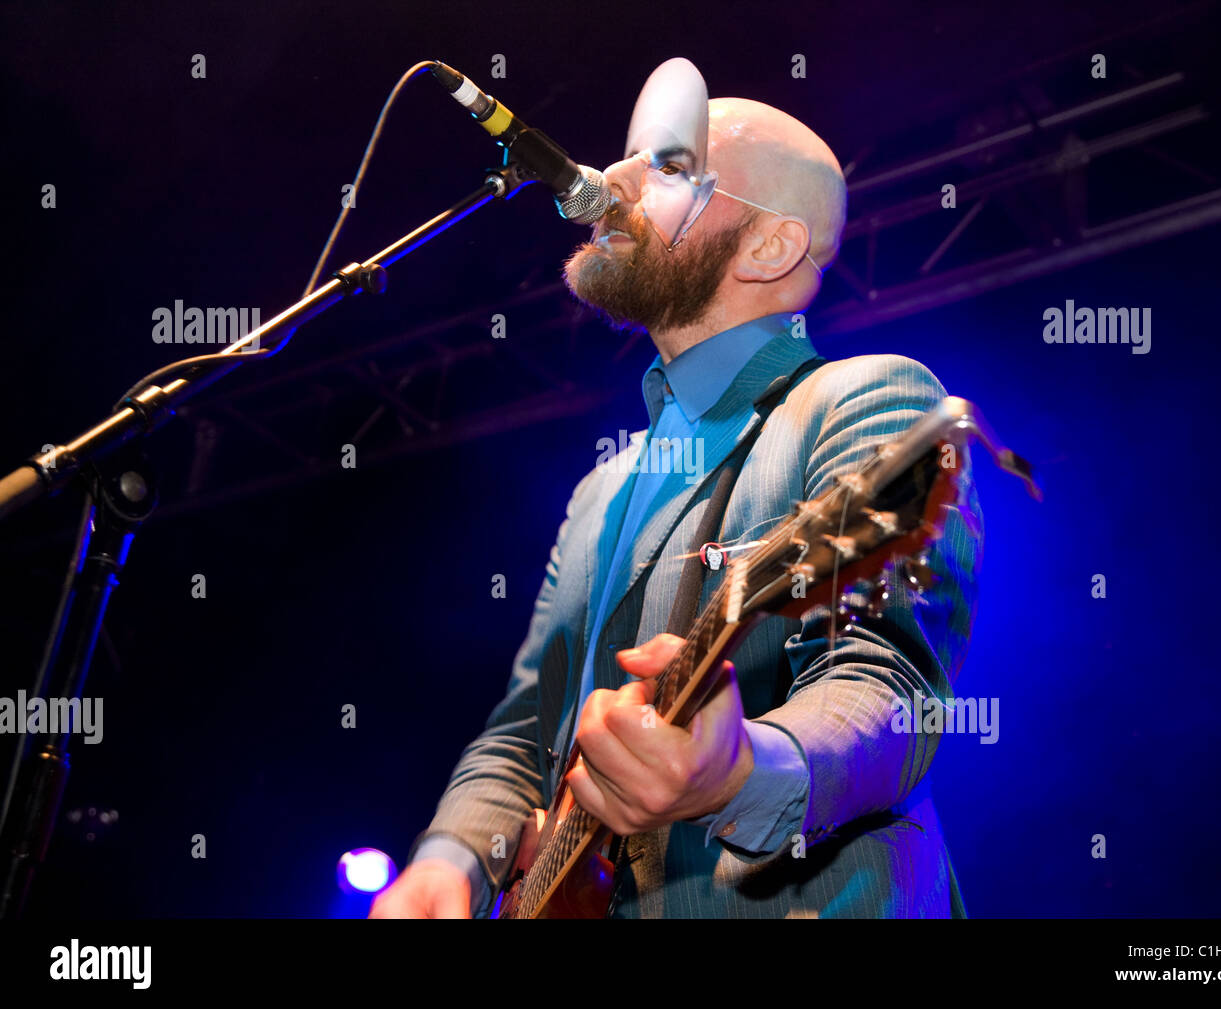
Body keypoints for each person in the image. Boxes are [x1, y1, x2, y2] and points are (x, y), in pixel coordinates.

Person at [370, 97, 983, 919]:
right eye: (629, 156)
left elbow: (890, 681)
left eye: (669, 167)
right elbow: (525, 729)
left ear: (771, 245)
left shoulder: (868, 396)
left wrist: (739, 772)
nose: (612, 177)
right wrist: (449, 860)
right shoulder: (600, 487)